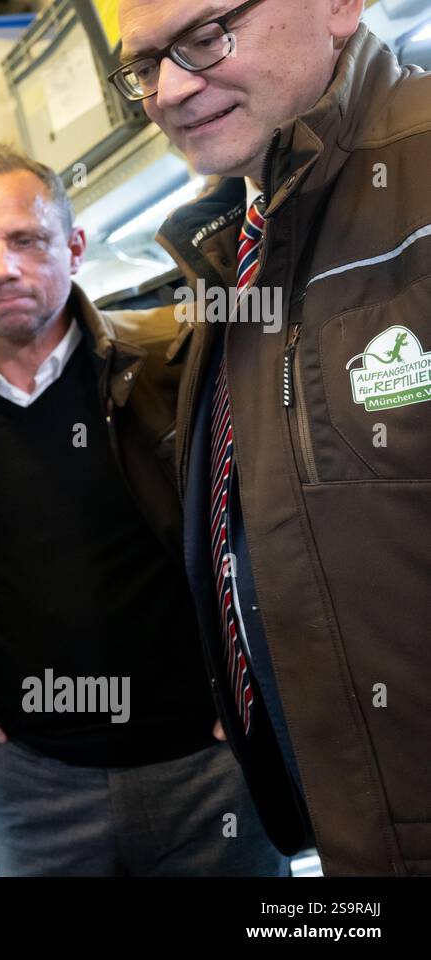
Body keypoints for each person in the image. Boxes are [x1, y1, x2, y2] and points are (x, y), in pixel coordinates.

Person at [115, 0, 431, 873]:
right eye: (143, 67)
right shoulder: (238, 255)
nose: (172, 89)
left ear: (338, 5)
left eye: (206, 35)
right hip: (346, 835)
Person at [0, 143, 286, 875]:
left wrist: (259, 673)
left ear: (74, 248)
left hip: (207, 772)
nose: (5, 267)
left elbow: (262, 515)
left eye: (28, 240)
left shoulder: (171, 361)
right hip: (38, 788)